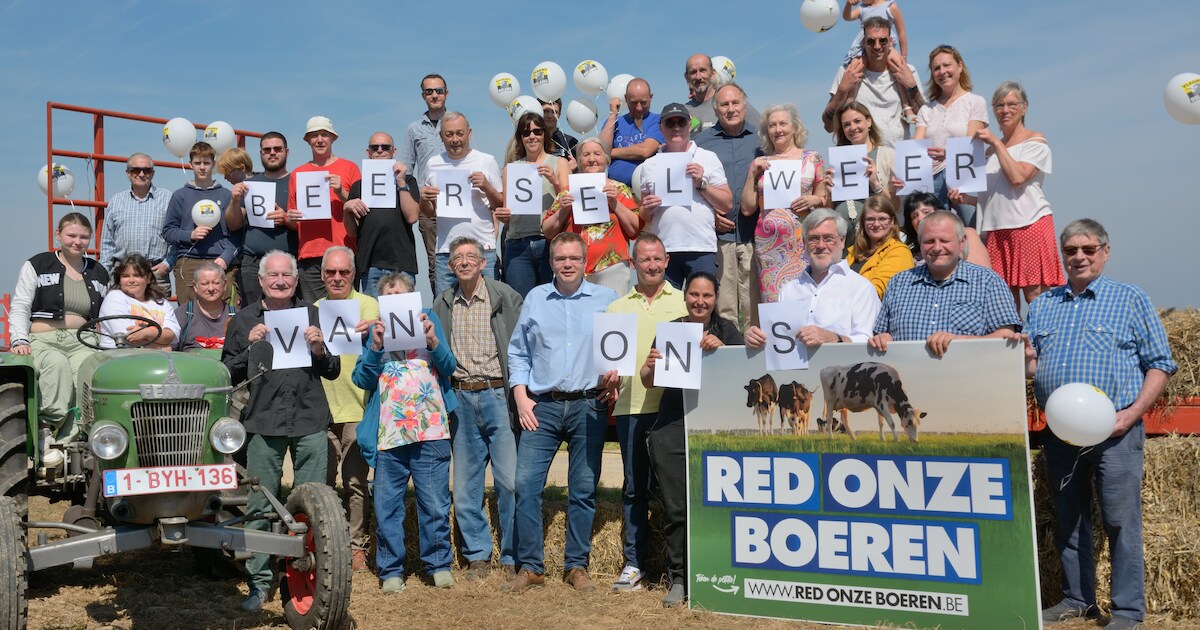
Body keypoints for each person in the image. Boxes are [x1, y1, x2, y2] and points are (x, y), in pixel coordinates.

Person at [1025, 219, 1176, 630]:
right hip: (1060, 436)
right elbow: (1032, 366)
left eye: (1088, 249)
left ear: (1105, 252)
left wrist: (1133, 413)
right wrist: (1025, 359)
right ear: (1062, 255)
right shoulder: (1041, 306)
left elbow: (1160, 363)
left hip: (1117, 433)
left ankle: (1127, 610)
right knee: (1070, 517)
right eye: (1071, 250)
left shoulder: (1130, 299)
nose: (1079, 257)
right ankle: (1077, 600)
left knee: (1120, 520)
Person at [501, 232, 620, 594]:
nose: (567, 264)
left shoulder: (608, 300)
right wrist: (520, 396)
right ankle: (532, 567)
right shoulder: (536, 299)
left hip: (589, 404)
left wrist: (618, 378)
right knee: (525, 486)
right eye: (560, 258)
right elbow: (518, 353)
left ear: (585, 261)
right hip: (543, 406)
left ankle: (576, 566)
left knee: (583, 489)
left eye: (573, 258)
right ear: (550, 262)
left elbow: (619, 351)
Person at [220, 250, 338, 612]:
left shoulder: (315, 314)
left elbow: (332, 369)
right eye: (273, 276)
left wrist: (318, 349)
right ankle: (259, 583)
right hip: (263, 421)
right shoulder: (242, 320)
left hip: (309, 419)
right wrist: (251, 347)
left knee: (314, 502)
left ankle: (309, 579)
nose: (280, 281)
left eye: (286, 275)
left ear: (296, 278)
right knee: (260, 504)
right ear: (261, 281)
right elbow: (228, 373)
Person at [640, 271, 743, 608]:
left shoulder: (728, 330)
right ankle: (680, 578)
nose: (700, 302)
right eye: (694, 295)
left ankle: (720, 571)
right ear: (685, 296)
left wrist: (724, 351)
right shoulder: (672, 329)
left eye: (707, 296)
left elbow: (746, 380)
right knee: (676, 508)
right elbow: (647, 381)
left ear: (716, 298)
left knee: (720, 506)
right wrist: (650, 366)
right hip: (673, 426)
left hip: (717, 426)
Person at [353, 272, 457, 593]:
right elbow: (361, 379)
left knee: (435, 504)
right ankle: (391, 570)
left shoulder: (431, 321)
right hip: (390, 436)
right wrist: (375, 346)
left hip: (431, 431)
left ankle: (439, 564)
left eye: (401, 295)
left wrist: (433, 342)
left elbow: (449, 367)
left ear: (412, 298)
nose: (396, 300)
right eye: (390, 296)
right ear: (383, 303)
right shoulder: (374, 332)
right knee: (387, 507)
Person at [430, 236, 523, 580]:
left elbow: (524, 345)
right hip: (461, 398)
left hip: (498, 395)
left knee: (510, 482)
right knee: (467, 486)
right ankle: (478, 556)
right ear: (451, 266)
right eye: (458, 258)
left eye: (472, 256)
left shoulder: (506, 297)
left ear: (484, 263)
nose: (465, 262)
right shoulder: (442, 303)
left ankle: (513, 555)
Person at [605, 233, 687, 593]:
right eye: (644, 260)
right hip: (631, 408)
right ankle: (635, 564)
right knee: (635, 490)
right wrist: (605, 376)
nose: (652, 265)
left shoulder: (687, 303)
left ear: (667, 261)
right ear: (632, 263)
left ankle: (682, 566)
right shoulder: (616, 309)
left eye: (657, 259)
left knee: (677, 493)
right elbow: (609, 365)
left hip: (675, 409)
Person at [951, 81, 1065, 312]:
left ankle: (1041, 344)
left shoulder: (1035, 141)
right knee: (1004, 298)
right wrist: (967, 199)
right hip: (995, 229)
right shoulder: (991, 150)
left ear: (1024, 108)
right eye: (1000, 105)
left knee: (1035, 295)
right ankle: (1013, 346)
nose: (1005, 110)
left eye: (1012, 104)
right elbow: (993, 194)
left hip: (1028, 223)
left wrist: (995, 141)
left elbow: (1017, 177)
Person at [9, 213, 109, 466]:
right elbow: (21, 304)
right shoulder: (38, 264)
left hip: (83, 339)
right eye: (71, 235)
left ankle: (72, 442)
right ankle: (46, 430)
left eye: (84, 236)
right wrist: (20, 339)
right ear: (58, 235)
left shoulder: (98, 272)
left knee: (87, 377)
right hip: (45, 338)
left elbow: (106, 312)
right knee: (57, 366)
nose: (78, 241)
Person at [868, 210, 1020, 358]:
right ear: (919, 243)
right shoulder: (898, 283)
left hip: (968, 377)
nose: (937, 247)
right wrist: (882, 339)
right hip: (908, 380)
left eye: (945, 240)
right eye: (929, 241)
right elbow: (880, 333)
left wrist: (960, 341)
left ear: (962, 243)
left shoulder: (988, 282)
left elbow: (1006, 336)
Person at [315, 246, 379, 573]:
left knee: (355, 483)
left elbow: (391, 345)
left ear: (354, 274)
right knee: (322, 486)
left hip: (359, 408)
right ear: (322, 275)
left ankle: (357, 548)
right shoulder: (311, 311)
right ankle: (324, 545)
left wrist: (375, 332)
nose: (337, 278)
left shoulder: (370, 306)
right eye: (330, 272)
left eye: (343, 272)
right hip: (322, 413)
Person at [745, 209, 880, 347]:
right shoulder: (789, 289)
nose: (821, 245)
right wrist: (757, 339)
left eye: (828, 239)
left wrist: (835, 339)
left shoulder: (861, 288)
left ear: (842, 240)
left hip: (843, 367)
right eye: (813, 239)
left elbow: (868, 340)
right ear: (804, 243)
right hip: (795, 368)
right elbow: (779, 342)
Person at [742, 103, 828, 303]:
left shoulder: (813, 158)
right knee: (774, 304)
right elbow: (747, 208)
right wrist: (752, 174)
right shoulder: (761, 162)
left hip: (803, 245)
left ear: (794, 127)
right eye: (772, 125)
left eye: (783, 124)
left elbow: (825, 201)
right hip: (769, 248)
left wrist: (814, 199)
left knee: (806, 299)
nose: (778, 130)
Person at [640, 103, 733, 288]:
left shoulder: (708, 157)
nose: (676, 127)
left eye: (681, 122)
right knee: (667, 312)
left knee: (702, 307)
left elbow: (727, 204)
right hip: (664, 249)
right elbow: (644, 215)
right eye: (670, 123)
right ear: (661, 128)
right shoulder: (650, 165)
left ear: (689, 125)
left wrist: (702, 184)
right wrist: (648, 207)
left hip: (701, 247)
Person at [696, 83, 762, 328]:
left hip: (754, 235)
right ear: (716, 110)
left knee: (754, 308)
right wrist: (711, 215)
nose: (731, 109)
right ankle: (726, 362)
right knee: (724, 309)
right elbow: (692, 187)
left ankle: (754, 366)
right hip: (719, 238)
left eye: (735, 103)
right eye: (724, 104)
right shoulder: (700, 143)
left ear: (745, 107)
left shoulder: (761, 139)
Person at [418, 112, 504, 295]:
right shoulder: (433, 164)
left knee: (489, 307)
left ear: (469, 133)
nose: (455, 139)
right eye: (449, 134)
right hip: (446, 252)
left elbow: (500, 205)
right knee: (445, 310)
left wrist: (487, 187)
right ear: (441, 136)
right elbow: (429, 213)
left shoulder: (486, 161)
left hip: (483, 249)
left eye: (460, 133)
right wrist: (424, 199)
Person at [542, 138, 641, 296]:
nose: (592, 159)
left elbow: (635, 229)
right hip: (574, 267)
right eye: (586, 154)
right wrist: (563, 210)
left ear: (606, 159)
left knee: (611, 317)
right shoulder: (567, 191)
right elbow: (547, 231)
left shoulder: (620, 189)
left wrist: (615, 204)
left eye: (597, 154)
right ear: (579, 160)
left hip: (612, 267)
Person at [285, 115, 362, 303]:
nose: (320, 140)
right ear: (307, 140)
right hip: (310, 253)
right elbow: (293, 222)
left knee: (346, 313)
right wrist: (291, 217)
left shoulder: (350, 168)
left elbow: (360, 211)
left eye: (324, 135)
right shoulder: (297, 174)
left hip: (343, 251)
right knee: (315, 314)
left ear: (333, 138)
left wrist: (341, 191)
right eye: (314, 135)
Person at [913, 45, 987, 226]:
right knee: (935, 231)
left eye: (947, 66)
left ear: (960, 66)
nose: (942, 72)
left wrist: (949, 154)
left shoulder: (975, 102)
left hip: (963, 176)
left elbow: (972, 142)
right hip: (931, 179)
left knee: (971, 230)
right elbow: (916, 146)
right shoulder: (926, 109)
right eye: (936, 68)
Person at [496, 112, 569, 297]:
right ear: (520, 137)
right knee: (521, 305)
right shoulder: (510, 170)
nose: (532, 136)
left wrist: (554, 180)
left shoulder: (559, 163)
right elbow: (508, 215)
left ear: (544, 134)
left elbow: (569, 201)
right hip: (518, 244)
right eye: (526, 132)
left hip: (549, 241)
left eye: (537, 131)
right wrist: (504, 216)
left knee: (553, 302)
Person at [823, 15, 923, 147]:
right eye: (871, 41)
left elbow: (927, 119)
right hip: (862, 159)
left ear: (891, 42)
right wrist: (842, 90)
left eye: (883, 41)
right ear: (863, 42)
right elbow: (829, 126)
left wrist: (911, 86)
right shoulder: (848, 71)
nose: (877, 46)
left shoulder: (907, 71)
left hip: (896, 159)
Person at [342, 132, 420, 298]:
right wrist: (346, 209)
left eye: (385, 147)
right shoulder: (358, 186)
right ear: (368, 153)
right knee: (374, 319)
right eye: (374, 147)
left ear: (394, 151)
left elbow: (412, 217)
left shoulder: (409, 181)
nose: (379, 151)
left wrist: (401, 182)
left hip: (402, 262)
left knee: (403, 318)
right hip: (370, 265)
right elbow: (352, 232)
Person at [161, 142, 235, 305]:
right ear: (190, 165)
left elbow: (237, 233)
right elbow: (168, 231)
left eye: (207, 163)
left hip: (220, 261)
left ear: (213, 164)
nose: (202, 167)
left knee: (225, 314)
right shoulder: (180, 196)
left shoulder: (226, 195)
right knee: (189, 314)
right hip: (188, 262)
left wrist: (226, 257)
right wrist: (190, 235)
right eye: (198, 163)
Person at [226, 131, 294, 306]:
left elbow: (308, 223)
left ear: (287, 151)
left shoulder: (297, 181)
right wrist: (234, 201)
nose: (272, 153)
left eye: (277, 149)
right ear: (261, 153)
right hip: (253, 264)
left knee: (289, 318)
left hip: (288, 265)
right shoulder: (250, 185)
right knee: (253, 318)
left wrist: (286, 219)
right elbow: (233, 224)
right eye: (267, 149)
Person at [400, 73, 450, 294]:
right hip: (427, 205)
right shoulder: (414, 129)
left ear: (446, 93)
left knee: (460, 256)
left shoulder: (456, 121)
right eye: (429, 91)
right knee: (434, 261)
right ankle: (442, 310)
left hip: (456, 200)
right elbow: (407, 169)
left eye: (438, 90)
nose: (434, 95)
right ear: (423, 96)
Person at [99, 153, 171, 292]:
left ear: (153, 173)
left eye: (147, 170)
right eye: (136, 170)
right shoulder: (116, 201)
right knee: (122, 313)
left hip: (155, 273)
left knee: (157, 313)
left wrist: (167, 263)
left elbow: (175, 237)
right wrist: (104, 274)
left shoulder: (167, 198)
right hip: (123, 273)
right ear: (128, 173)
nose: (142, 174)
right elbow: (107, 243)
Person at [830, 101, 897, 242]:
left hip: (877, 238)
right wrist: (830, 191)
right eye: (846, 125)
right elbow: (830, 207)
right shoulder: (838, 160)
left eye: (857, 121)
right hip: (846, 239)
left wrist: (875, 183)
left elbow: (895, 206)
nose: (853, 128)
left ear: (868, 122)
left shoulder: (888, 155)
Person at [97, 254, 179, 350]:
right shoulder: (114, 297)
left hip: (155, 361)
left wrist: (147, 332)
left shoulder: (163, 303)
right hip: (119, 358)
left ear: (148, 278)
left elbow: (171, 335)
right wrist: (163, 346)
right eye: (125, 276)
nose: (131, 280)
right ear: (119, 279)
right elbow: (128, 337)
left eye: (137, 275)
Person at [846, 195, 914, 298]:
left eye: (882, 219)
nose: (876, 224)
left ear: (892, 221)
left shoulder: (899, 251)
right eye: (870, 219)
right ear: (863, 222)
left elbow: (879, 291)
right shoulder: (854, 251)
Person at [600, 78, 663, 187]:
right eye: (634, 103)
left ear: (651, 97)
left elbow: (645, 151)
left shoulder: (659, 120)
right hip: (616, 192)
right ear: (626, 99)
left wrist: (610, 152)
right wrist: (613, 115)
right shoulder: (614, 122)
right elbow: (600, 150)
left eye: (643, 102)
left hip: (647, 192)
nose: (638, 108)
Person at [901, 191, 990, 268]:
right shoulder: (908, 253)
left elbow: (982, 276)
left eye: (926, 212)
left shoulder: (967, 234)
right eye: (914, 216)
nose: (920, 218)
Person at [683, 54, 761, 134]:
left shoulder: (732, 104)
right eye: (693, 72)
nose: (698, 77)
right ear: (686, 77)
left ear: (713, 74)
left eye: (703, 70)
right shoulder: (683, 112)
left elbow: (761, 132)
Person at [172, 261, 236, 351]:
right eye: (205, 283)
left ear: (224, 284)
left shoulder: (237, 316)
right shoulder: (182, 315)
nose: (211, 288)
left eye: (216, 283)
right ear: (195, 286)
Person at [841, 0, 909, 66]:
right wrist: (848, 4)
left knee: (897, 63)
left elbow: (901, 32)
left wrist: (904, 56)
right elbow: (847, 17)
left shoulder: (890, 7)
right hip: (865, 47)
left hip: (886, 47)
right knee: (856, 65)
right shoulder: (863, 8)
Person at [540, 98, 579, 169]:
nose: (550, 116)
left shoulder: (571, 142)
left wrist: (575, 169)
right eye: (545, 111)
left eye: (554, 112)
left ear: (559, 114)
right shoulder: (531, 140)